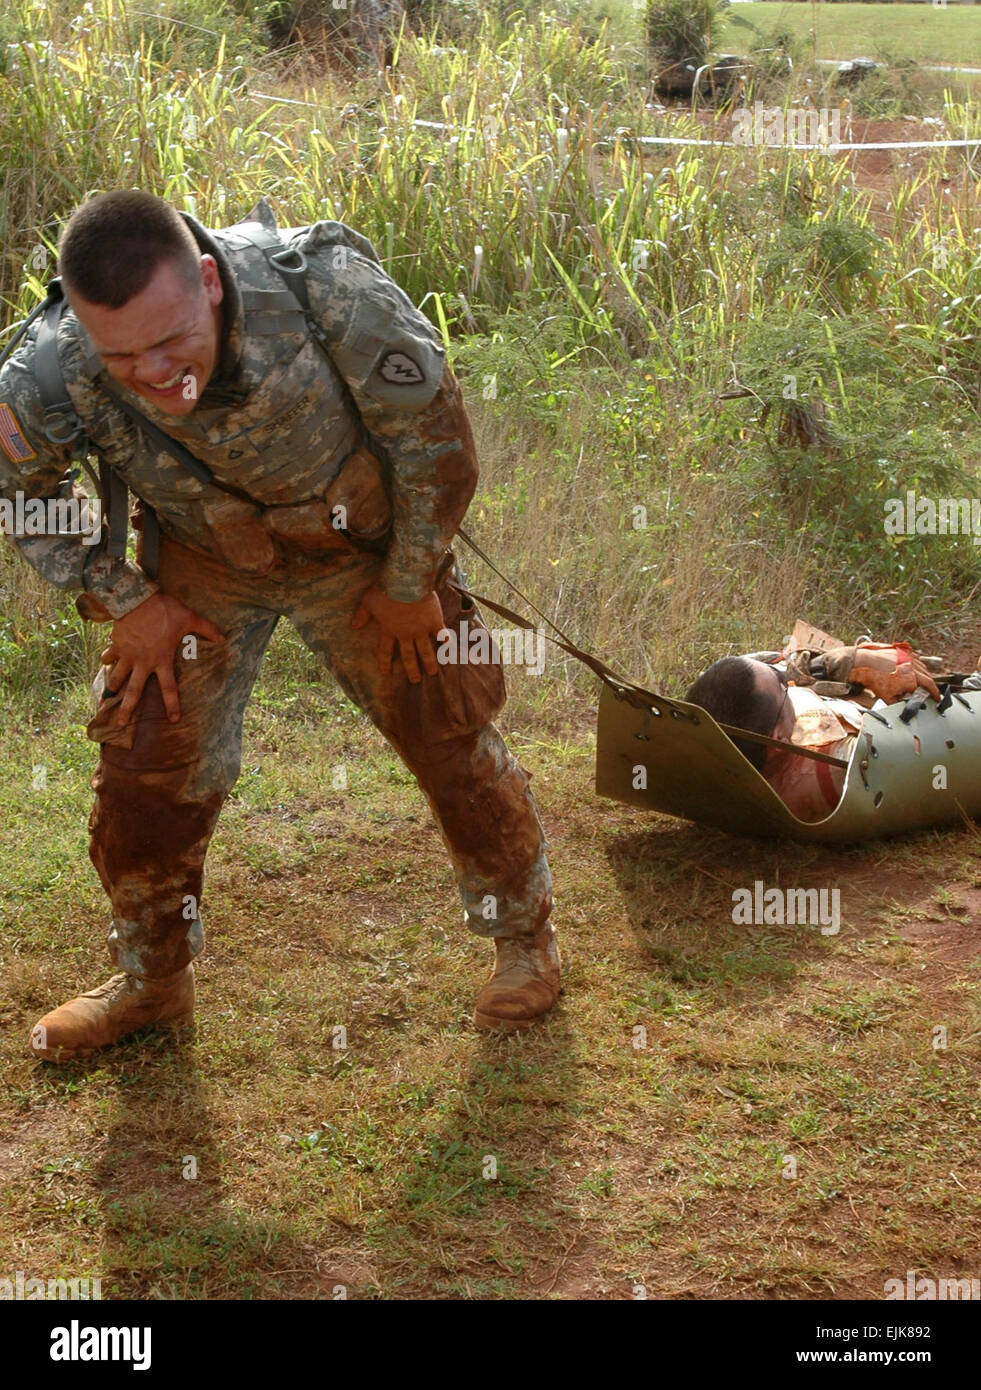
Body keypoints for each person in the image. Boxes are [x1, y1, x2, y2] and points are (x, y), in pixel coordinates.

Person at [0, 191, 558, 1061]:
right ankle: (153, 981)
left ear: (211, 283)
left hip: (364, 554)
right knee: (146, 764)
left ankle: (524, 940)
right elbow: (19, 492)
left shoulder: (328, 291)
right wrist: (127, 599)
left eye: (170, 339)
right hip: (203, 563)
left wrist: (412, 581)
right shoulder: (51, 363)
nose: (153, 372)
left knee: (445, 731)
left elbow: (435, 439)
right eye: (124, 355)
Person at [686, 637, 949, 822]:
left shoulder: (734, 720)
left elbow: (767, 664)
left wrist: (852, 660)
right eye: (781, 684)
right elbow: (919, 747)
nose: (783, 679)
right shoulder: (831, 770)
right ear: (777, 738)